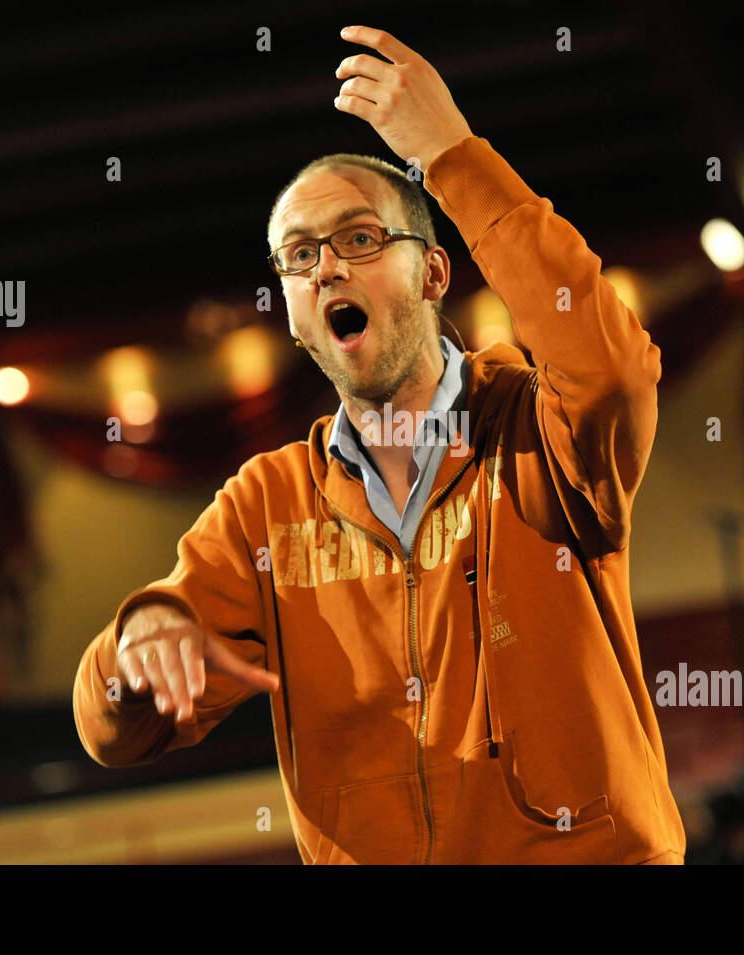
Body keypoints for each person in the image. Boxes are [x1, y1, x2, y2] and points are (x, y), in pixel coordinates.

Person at [73, 24, 683, 864]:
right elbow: (113, 734)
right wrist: (138, 640)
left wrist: (453, 156)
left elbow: (612, 369)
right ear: (291, 312)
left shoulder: (534, 431)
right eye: (298, 256)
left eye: (360, 239)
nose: (326, 268)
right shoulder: (266, 506)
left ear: (434, 275)